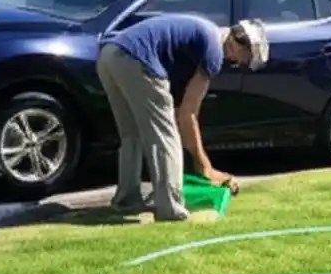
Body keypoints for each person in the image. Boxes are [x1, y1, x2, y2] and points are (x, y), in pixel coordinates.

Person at [96, 13, 268, 221]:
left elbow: (180, 108)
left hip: (109, 55)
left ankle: (127, 200)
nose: (239, 63)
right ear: (239, 45)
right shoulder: (214, 51)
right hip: (137, 58)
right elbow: (188, 114)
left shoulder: (205, 35)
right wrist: (205, 166)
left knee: (132, 134)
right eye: (245, 58)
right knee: (165, 138)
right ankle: (171, 208)